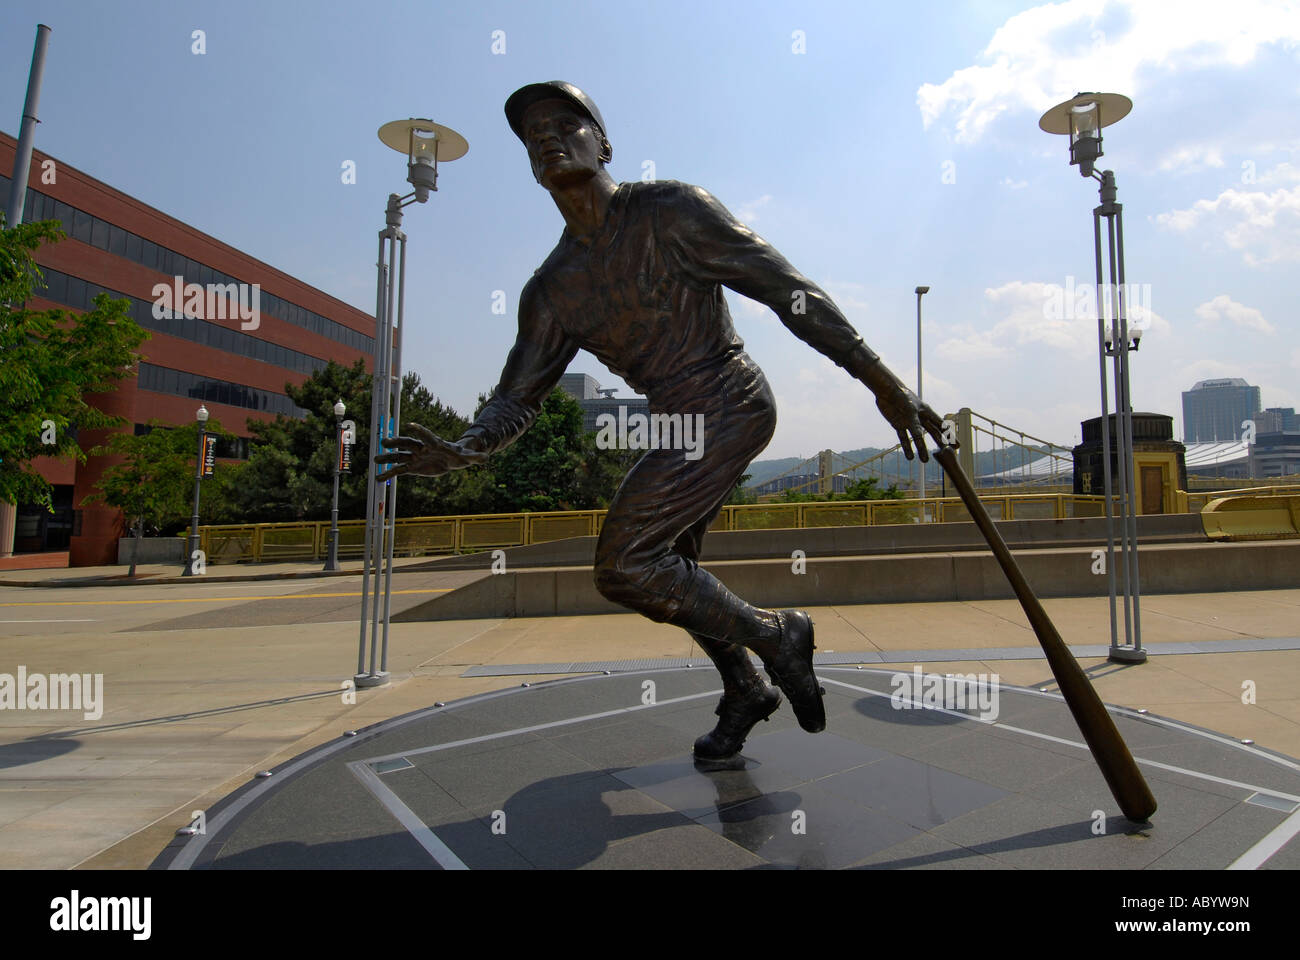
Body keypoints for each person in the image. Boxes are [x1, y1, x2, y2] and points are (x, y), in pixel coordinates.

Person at [376, 82, 945, 767]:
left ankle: (778, 636)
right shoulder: (552, 287)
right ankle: (746, 687)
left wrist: (881, 379)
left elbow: (786, 290)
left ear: (605, 143)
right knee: (677, 573)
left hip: (729, 398)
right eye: (533, 135)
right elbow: (517, 398)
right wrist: (468, 447)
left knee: (624, 565)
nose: (547, 137)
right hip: (675, 423)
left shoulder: (671, 211)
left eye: (566, 123)